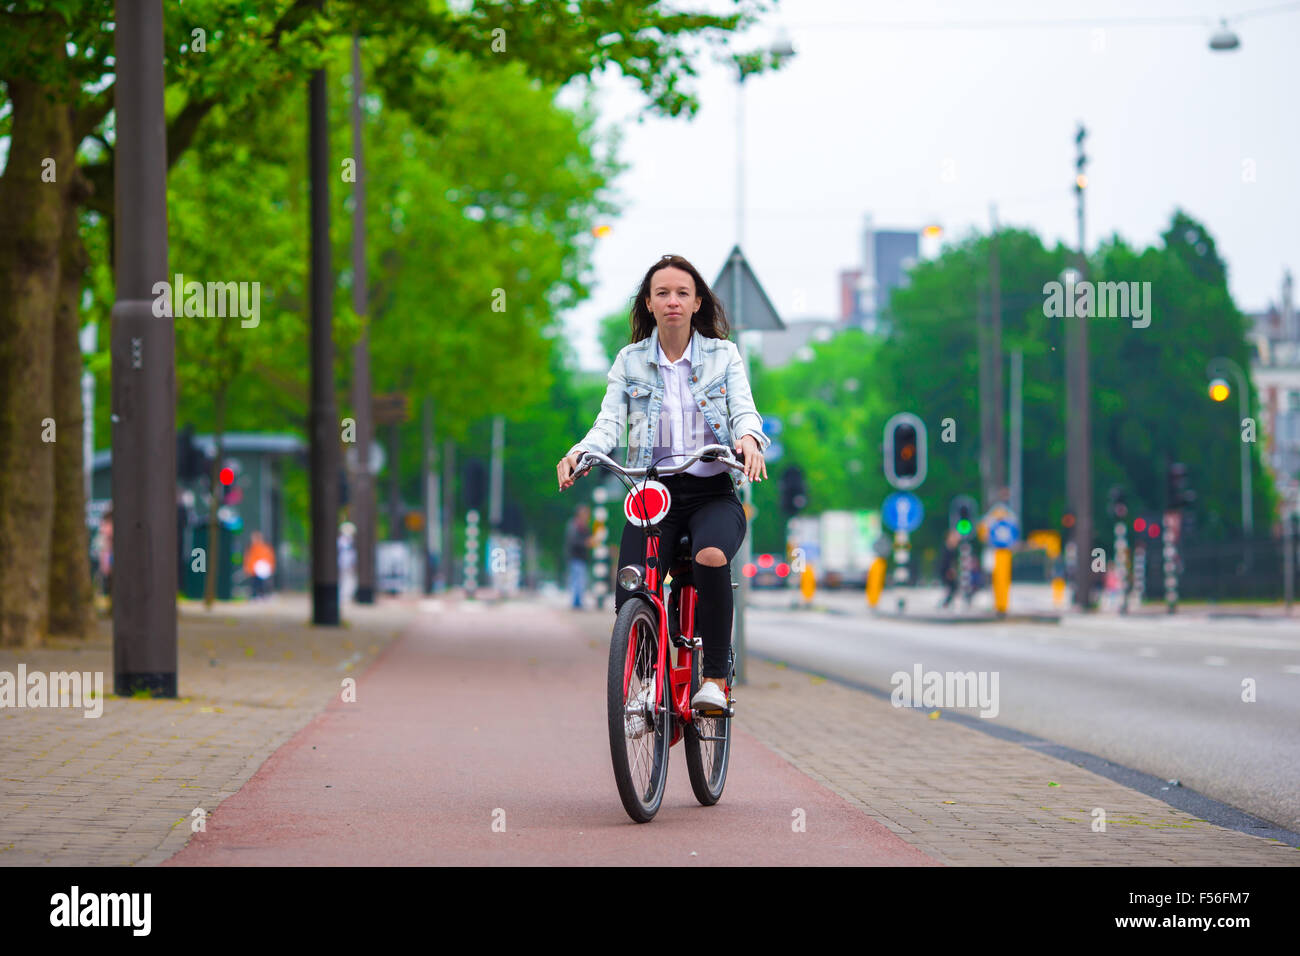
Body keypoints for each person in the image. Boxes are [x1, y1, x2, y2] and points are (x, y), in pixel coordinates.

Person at [556, 253, 770, 712]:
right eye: (662, 293)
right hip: (653, 493)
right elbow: (609, 423)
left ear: (697, 303)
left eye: (682, 293)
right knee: (632, 586)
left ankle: (713, 677)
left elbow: (743, 411)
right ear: (649, 304)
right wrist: (580, 453)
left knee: (710, 556)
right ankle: (645, 686)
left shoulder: (722, 355)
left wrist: (749, 440)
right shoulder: (629, 361)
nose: (672, 300)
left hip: (713, 491)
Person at [564, 505, 595, 609]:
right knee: (579, 580)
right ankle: (576, 602)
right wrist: (586, 543)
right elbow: (573, 541)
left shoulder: (583, 526)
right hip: (576, 557)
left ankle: (577, 601)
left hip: (581, 557)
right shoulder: (575, 525)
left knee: (579, 580)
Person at [243, 530, 276, 600]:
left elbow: (269, 558)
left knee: (262, 583)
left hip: (261, 570)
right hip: (254, 570)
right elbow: (248, 559)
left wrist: (270, 567)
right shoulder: (251, 548)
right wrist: (247, 568)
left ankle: (263, 595)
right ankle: (256, 595)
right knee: (255, 583)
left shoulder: (264, 548)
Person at [938, 529, 960, 609]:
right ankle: (945, 604)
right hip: (947, 572)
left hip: (949, 572)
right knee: (951, 588)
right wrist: (949, 571)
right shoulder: (947, 549)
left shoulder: (953, 549)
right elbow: (945, 562)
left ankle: (946, 604)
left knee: (952, 588)